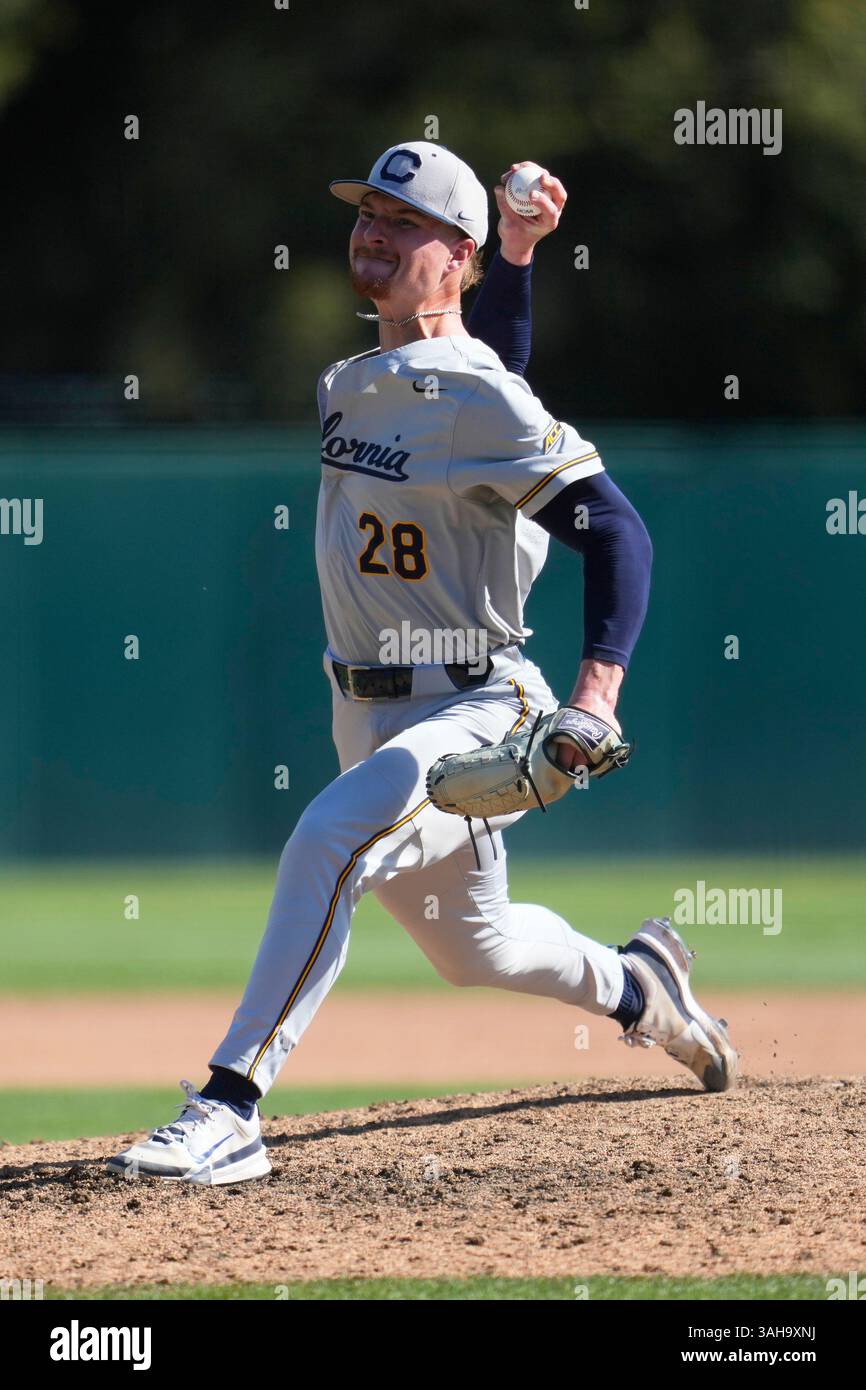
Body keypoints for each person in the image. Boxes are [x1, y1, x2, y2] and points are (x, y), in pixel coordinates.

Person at [108, 142, 737, 1187]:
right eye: (365, 210)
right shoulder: (350, 381)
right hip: (363, 708)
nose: (371, 227)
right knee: (473, 948)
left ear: (456, 253)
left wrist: (594, 695)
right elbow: (476, 388)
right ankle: (641, 985)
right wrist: (522, 262)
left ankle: (229, 1106)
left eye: (403, 219)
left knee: (328, 838)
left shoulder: (476, 394)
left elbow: (619, 530)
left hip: (475, 703)